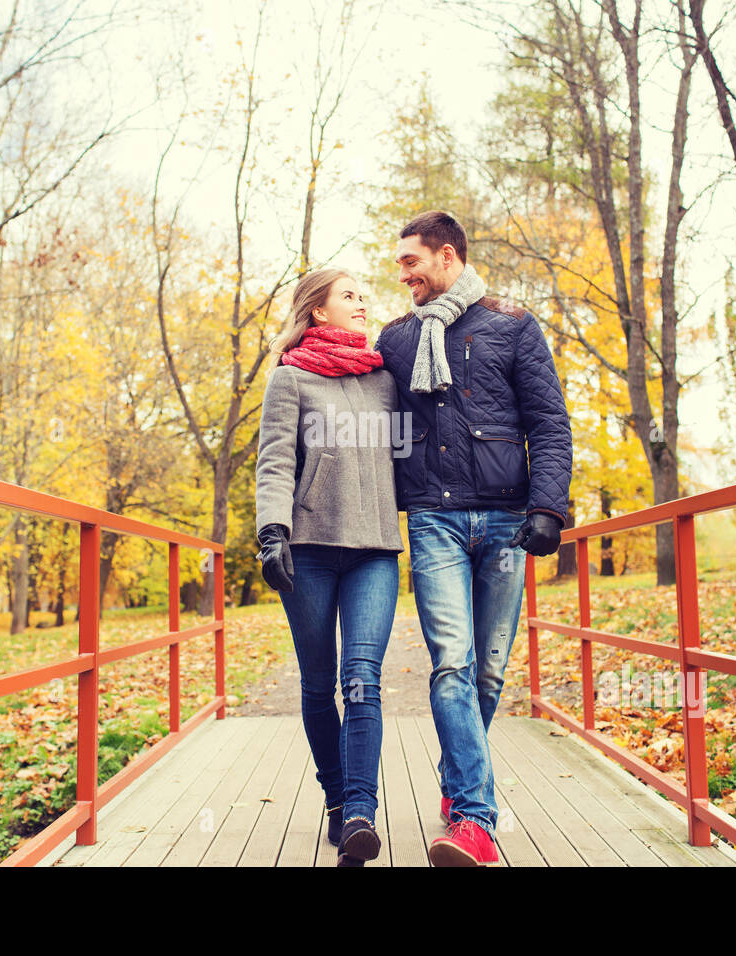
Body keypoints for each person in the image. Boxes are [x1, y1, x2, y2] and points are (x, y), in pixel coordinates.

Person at [374, 211, 573, 866]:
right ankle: (475, 821)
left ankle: (457, 779)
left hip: (507, 523)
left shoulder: (513, 326)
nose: (401, 274)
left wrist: (548, 505)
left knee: (488, 670)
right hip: (433, 516)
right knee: (453, 663)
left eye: (410, 261)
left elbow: (547, 421)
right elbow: (355, 394)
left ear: (448, 256)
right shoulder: (397, 340)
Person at [254, 268, 405, 867]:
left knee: (362, 679)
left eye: (365, 295)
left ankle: (362, 812)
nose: (363, 302)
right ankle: (337, 799)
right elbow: (273, 464)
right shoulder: (289, 379)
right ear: (318, 311)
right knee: (319, 686)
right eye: (349, 295)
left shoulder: (384, 379)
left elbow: (414, 450)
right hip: (309, 550)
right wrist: (272, 532)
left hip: (374, 550)